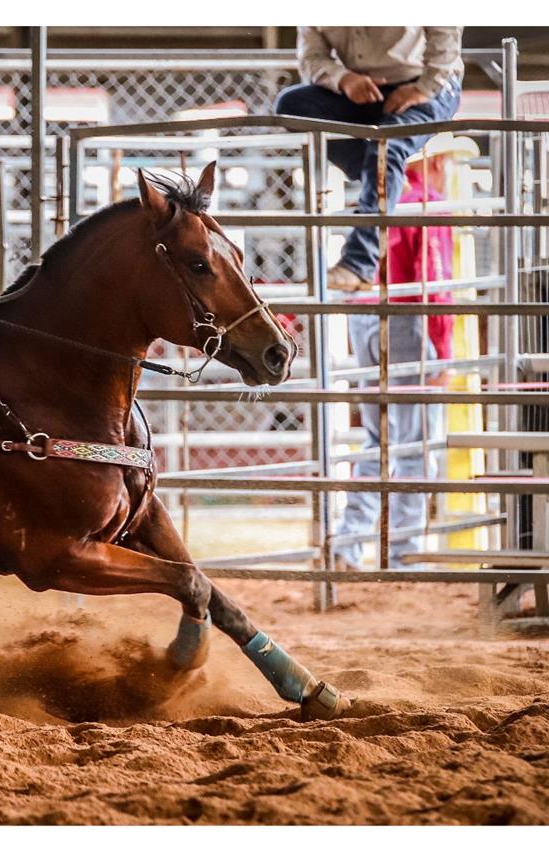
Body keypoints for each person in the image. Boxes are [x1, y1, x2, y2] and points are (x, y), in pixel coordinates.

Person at [333, 134, 475, 570]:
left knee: (380, 439)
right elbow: (435, 282)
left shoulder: (381, 200)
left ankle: (349, 543)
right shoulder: (428, 205)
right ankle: (405, 553)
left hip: (365, 316)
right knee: (415, 442)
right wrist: (442, 352)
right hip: (406, 321)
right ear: (436, 164)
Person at [275, 27, 463, 289]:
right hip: (362, 88)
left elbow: (445, 31)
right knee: (290, 105)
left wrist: (422, 88)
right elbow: (311, 57)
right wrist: (344, 79)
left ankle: (358, 264)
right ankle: (383, 177)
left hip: (428, 84)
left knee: (387, 145)